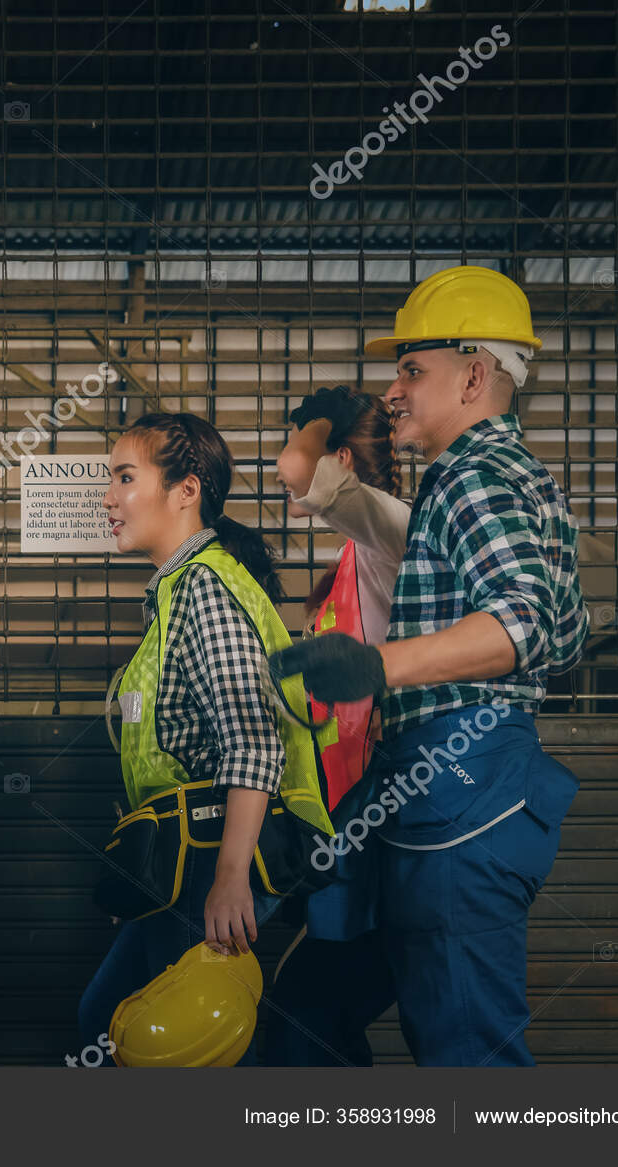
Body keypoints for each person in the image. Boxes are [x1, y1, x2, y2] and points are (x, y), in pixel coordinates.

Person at [271, 265, 589, 1066]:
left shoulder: (472, 475)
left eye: (413, 368)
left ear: (475, 375)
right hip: (459, 781)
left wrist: (377, 666)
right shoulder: (515, 481)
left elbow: (523, 622)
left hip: (461, 780)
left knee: (467, 1056)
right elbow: (569, 631)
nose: (397, 390)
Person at [77, 412, 334, 1059]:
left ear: (185, 489)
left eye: (125, 477)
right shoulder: (176, 590)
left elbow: (253, 741)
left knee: (181, 1047)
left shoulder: (207, 590)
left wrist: (230, 878)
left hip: (211, 866)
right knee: (104, 1023)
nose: (108, 496)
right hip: (176, 863)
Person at [259, 385, 410, 1066]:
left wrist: (324, 413)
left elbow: (299, 469)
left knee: (307, 1018)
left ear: (340, 457)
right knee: (314, 1022)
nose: (283, 460)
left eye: (302, 437)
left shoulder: (388, 533)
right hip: (348, 818)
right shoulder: (352, 558)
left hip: (390, 815)